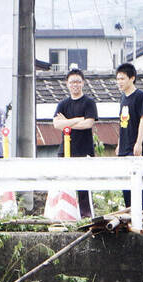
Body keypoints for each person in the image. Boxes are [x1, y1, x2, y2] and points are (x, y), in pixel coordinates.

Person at [52, 68, 98, 217]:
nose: (75, 85)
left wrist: (66, 122)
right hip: (65, 149)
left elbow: (88, 123)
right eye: (72, 82)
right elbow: (56, 125)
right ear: (67, 84)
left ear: (83, 83)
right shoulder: (63, 104)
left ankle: (85, 217)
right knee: (64, 185)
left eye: (78, 82)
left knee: (84, 187)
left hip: (84, 150)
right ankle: (64, 216)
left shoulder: (89, 102)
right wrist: (77, 119)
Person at [115, 62, 143, 213]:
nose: (119, 82)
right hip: (124, 146)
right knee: (125, 181)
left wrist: (139, 142)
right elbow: (122, 123)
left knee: (138, 180)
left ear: (132, 78)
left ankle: (141, 211)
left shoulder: (140, 96)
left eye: (122, 78)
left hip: (135, 146)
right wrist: (118, 144)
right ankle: (129, 211)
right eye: (117, 79)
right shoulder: (123, 98)